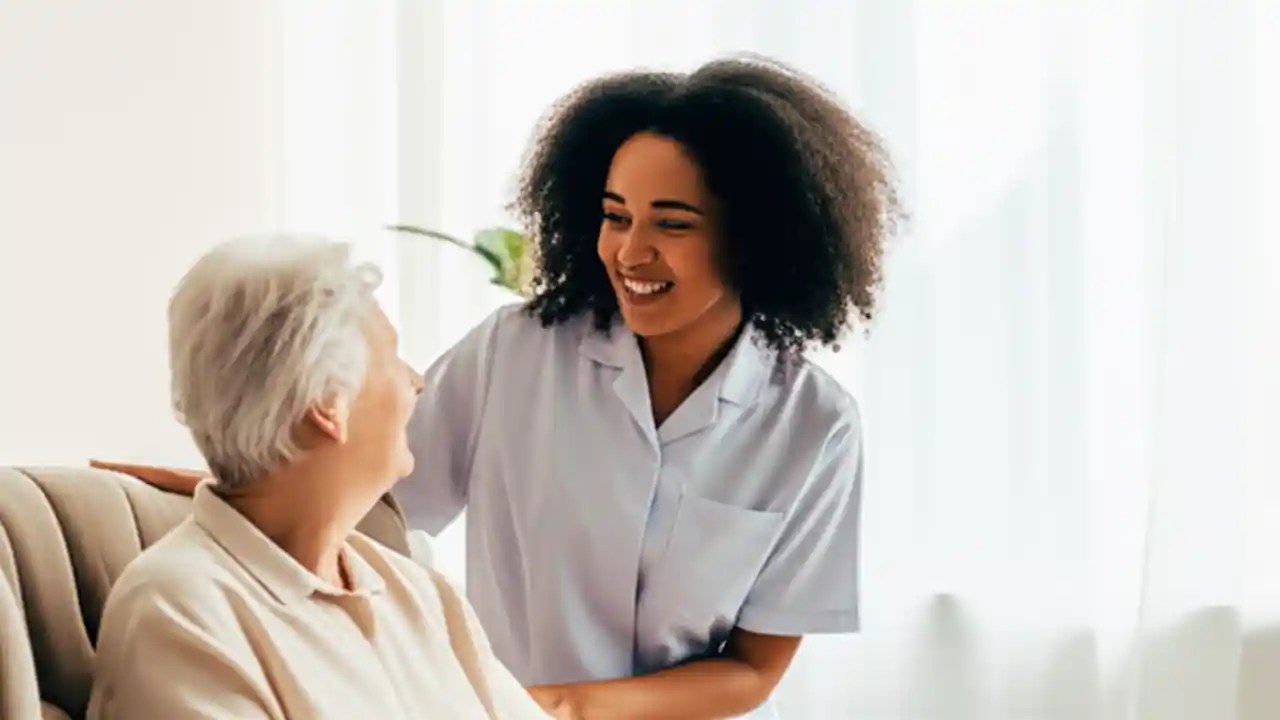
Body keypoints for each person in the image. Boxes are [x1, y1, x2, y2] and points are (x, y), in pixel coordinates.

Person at [404, 56, 899, 718]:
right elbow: (377, 508)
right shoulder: (513, 352)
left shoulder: (815, 424)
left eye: (672, 224)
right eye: (615, 216)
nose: (630, 253)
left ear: (754, 238)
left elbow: (752, 669)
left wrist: (563, 707)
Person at [88, 238, 549, 719]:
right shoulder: (179, 609)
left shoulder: (419, 594)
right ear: (329, 405)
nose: (416, 380)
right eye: (392, 358)